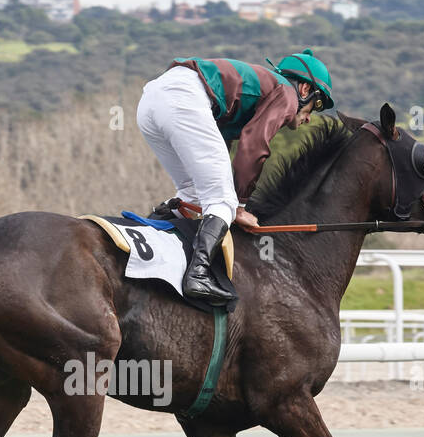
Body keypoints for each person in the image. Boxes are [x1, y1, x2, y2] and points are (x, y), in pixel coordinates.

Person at [136, 49, 334, 305]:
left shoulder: (262, 91)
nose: (308, 118)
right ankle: (198, 274)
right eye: (315, 107)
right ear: (305, 89)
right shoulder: (286, 93)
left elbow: (222, 142)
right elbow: (254, 146)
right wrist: (239, 205)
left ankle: (145, 239)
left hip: (152, 100)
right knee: (223, 200)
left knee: (192, 194)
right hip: (183, 97)